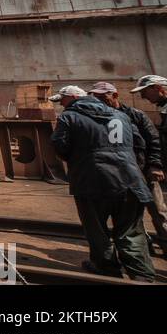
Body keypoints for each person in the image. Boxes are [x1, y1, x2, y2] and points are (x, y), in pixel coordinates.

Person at [50, 85, 156, 281]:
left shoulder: (69, 117)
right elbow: (139, 144)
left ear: (73, 97)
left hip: (91, 181)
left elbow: (60, 146)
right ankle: (141, 276)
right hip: (130, 181)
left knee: (96, 229)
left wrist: (80, 160)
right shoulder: (120, 115)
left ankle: (106, 269)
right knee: (130, 232)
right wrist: (133, 168)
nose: (61, 104)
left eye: (62, 100)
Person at [90, 82, 167, 244]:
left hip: (142, 171)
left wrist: (155, 165)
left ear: (115, 95)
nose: (100, 102)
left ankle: (165, 240)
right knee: (129, 214)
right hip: (118, 176)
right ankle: (142, 244)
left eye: (103, 97)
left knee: (158, 211)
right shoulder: (98, 118)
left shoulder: (135, 115)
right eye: (96, 98)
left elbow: (153, 140)